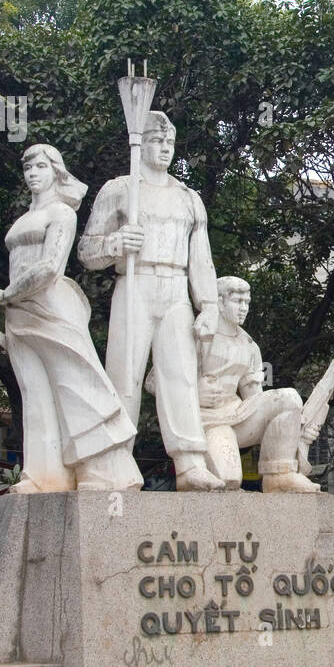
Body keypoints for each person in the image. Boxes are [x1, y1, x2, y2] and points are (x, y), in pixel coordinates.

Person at [0, 144, 143, 494]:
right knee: (35, 393)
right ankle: (42, 476)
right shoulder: (22, 220)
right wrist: (10, 300)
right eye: (27, 168)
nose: (32, 174)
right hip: (18, 312)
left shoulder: (62, 214)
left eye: (40, 166)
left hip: (49, 307)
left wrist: (7, 294)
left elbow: (49, 268)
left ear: (56, 171)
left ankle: (103, 471)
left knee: (76, 387)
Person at [78, 112, 224, 491]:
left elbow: (201, 259)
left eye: (170, 142)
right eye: (157, 141)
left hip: (176, 287)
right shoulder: (120, 189)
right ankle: (115, 457)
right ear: (141, 144)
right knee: (123, 374)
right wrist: (115, 244)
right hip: (135, 283)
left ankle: (190, 463)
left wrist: (208, 305)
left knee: (180, 376)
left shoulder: (188, 199)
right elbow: (86, 251)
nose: (164, 149)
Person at [193, 276, 319, 492]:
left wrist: (298, 426)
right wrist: (194, 392)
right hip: (206, 422)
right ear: (220, 302)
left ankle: (280, 475)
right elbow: (156, 383)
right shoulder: (197, 335)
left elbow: (255, 399)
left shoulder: (249, 345)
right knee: (229, 480)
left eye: (247, 302)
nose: (244, 308)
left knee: (288, 398)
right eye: (237, 302)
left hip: (238, 415)